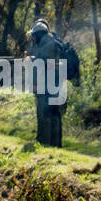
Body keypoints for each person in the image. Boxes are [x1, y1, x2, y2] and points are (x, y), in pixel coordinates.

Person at [26, 18, 65, 148]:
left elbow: (43, 65)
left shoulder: (47, 44)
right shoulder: (49, 42)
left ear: (38, 34)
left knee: (45, 115)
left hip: (47, 87)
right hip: (54, 86)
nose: (33, 38)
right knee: (54, 116)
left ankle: (45, 144)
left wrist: (32, 60)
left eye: (34, 35)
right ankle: (55, 145)